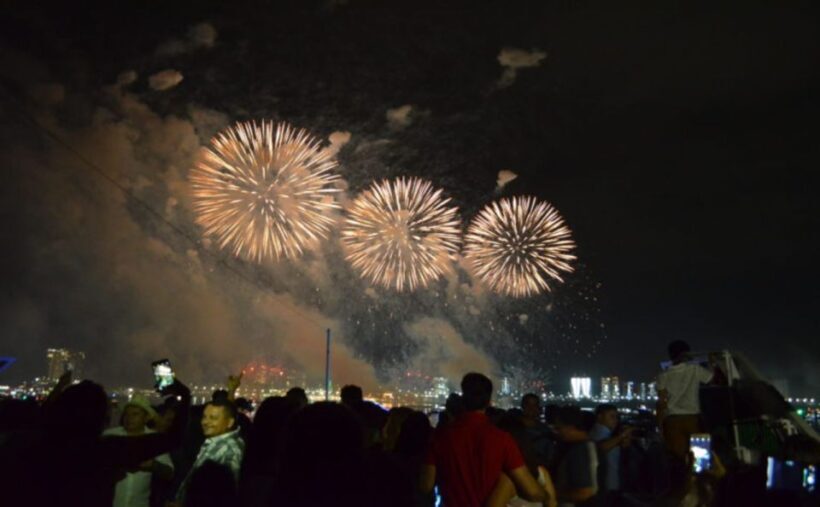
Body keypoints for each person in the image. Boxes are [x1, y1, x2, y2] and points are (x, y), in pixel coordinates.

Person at [421, 372, 548, 507]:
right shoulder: (502, 438)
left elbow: (425, 485)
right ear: (488, 402)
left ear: (463, 399)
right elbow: (532, 492)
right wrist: (546, 495)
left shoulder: (440, 436)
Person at [103, 396, 174, 507]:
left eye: (135, 414)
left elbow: (170, 472)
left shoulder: (154, 439)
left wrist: (152, 465)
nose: (129, 418)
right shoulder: (109, 436)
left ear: (146, 418)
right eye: (127, 414)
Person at [177, 399, 244, 503]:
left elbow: (225, 497)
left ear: (230, 422)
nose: (205, 422)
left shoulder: (231, 450)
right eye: (204, 417)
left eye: (213, 418)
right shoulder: (217, 441)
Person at [656, 340, 714, 458]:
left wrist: (660, 426)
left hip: (672, 421)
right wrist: (712, 363)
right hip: (693, 419)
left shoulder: (663, 375)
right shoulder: (695, 369)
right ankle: (700, 476)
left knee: (678, 459)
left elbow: (661, 403)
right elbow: (712, 379)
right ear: (686, 354)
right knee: (700, 459)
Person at [551, 406, 598, 507]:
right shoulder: (591, 446)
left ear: (570, 427)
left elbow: (584, 493)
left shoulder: (579, 451)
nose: (557, 432)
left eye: (559, 428)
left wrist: (551, 492)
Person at [589, 404, 632, 504]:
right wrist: (622, 436)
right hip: (606, 486)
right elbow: (601, 448)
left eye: (616, 417)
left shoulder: (608, 434)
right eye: (611, 416)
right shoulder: (599, 432)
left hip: (609, 485)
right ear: (599, 417)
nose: (615, 420)